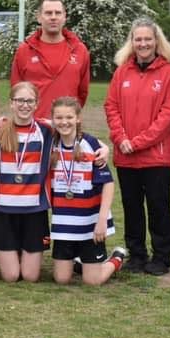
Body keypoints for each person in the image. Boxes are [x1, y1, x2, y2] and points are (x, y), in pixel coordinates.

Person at [103, 18, 170, 275]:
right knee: (132, 207)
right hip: (126, 155)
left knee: (158, 207)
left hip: (156, 156)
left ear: (156, 41)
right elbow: (111, 106)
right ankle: (136, 255)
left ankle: (161, 257)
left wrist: (136, 143)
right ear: (132, 42)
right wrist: (120, 138)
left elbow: (167, 116)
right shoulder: (121, 72)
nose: (143, 43)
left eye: (148, 39)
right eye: (138, 39)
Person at [50, 97, 126, 285]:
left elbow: (108, 184)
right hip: (64, 222)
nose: (64, 122)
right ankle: (81, 262)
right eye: (59, 118)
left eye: (69, 117)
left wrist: (101, 220)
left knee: (92, 281)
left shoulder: (91, 145)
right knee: (61, 279)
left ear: (78, 118)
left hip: (90, 222)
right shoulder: (50, 144)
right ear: (53, 120)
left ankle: (116, 258)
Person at [0, 82, 53, 283]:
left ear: (36, 104)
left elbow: (77, 133)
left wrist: (103, 148)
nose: (24, 105)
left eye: (29, 101)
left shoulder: (47, 130)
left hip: (34, 209)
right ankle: (14, 251)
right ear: (11, 103)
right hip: (4, 210)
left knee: (30, 276)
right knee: (11, 276)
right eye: (20, 100)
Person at [10, 0, 89, 120]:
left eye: (58, 13)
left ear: (64, 17)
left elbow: (82, 93)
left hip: (66, 125)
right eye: (48, 13)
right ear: (39, 17)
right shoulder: (24, 51)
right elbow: (16, 91)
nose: (53, 17)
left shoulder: (80, 50)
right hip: (34, 125)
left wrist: (68, 117)